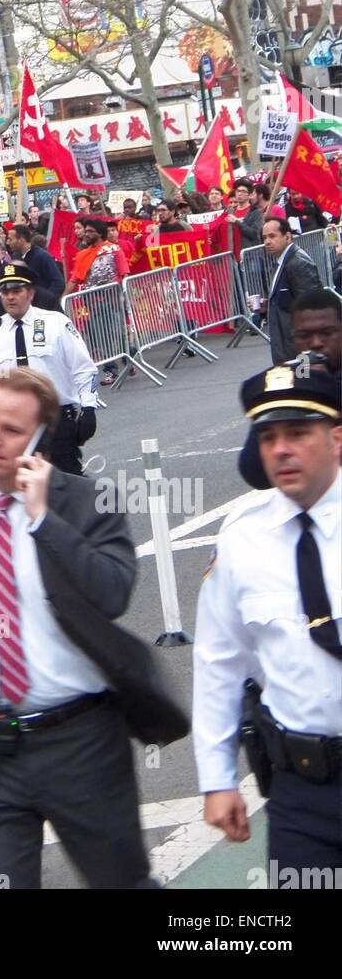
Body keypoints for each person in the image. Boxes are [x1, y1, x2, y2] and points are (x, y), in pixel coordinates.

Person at [0, 368, 186, 889]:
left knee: (121, 880)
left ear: (39, 436)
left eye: (10, 428)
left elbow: (111, 593)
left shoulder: (85, 502)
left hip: (80, 742)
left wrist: (43, 521)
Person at [193, 363, 341, 884]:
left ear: (337, 438)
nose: (281, 449)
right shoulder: (241, 540)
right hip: (304, 790)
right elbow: (219, 661)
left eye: (298, 433)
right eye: (269, 436)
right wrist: (217, 778)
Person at [0, 263, 98, 474]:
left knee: (65, 487)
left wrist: (88, 408)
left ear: (30, 293)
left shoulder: (55, 323)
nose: (10, 297)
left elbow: (84, 368)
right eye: (5, 292)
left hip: (54, 421)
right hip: (12, 424)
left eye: (16, 291)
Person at [238, 290, 342, 490]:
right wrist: (298, 387)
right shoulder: (293, 381)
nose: (316, 343)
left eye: (326, 333)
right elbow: (255, 474)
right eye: (304, 336)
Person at [261, 218, 321, 364]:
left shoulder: (298, 262)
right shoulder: (282, 261)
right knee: (293, 385)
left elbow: (311, 308)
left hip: (299, 349)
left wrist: (306, 350)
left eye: (272, 236)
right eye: (264, 238)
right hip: (288, 347)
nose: (267, 242)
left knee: (304, 383)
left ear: (287, 237)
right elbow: (288, 300)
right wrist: (267, 305)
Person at [8, 224, 65, 310]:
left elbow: (58, 282)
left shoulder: (42, 256)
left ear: (21, 240)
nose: (8, 242)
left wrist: (45, 301)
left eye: (10, 239)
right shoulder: (16, 257)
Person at [226, 179, 263, 249]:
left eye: (243, 191)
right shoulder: (230, 211)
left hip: (250, 255)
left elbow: (254, 234)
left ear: (250, 195)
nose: (239, 194)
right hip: (233, 255)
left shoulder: (256, 212)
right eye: (237, 191)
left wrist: (237, 222)